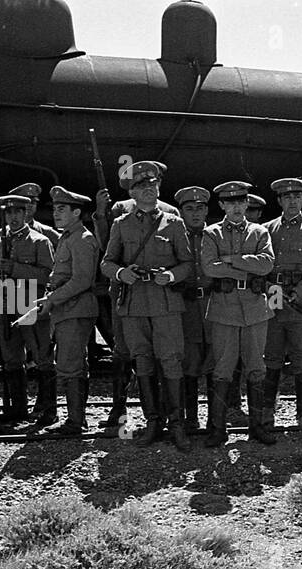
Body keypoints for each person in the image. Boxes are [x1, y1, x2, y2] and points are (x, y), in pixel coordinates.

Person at [99, 160, 194, 449]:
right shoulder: (120, 224)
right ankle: (152, 422)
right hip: (134, 305)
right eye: (141, 187)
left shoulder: (174, 223)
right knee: (142, 361)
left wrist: (171, 275)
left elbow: (188, 263)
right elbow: (106, 262)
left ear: (158, 187)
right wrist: (120, 273)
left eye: (152, 185)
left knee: (171, 361)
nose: (148, 190)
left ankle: (176, 424)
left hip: (166, 304)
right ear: (132, 193)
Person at [202, 180, 277, 446]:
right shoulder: (211, 233)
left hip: (256, 309)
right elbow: (209, 268)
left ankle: (256, 428)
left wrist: (232, 260)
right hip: (224, 309)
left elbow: (267, 264)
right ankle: (218, 430)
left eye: (240, 202)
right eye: (230, 202)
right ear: (222, 205)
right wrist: (248, 266)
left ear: (247, 203)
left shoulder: (260, 232)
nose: (236, 207)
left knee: (257, 368)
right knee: (222, 369)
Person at [264, 177, 302, 431]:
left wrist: (298, 292)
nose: (293, 201)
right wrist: (272, 289)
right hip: (274, 300)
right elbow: (262, 265)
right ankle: (268, 411)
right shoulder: (267, 229)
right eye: (287, 197)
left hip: (301, 304)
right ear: (279, 201)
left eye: (297, 197)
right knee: (272, 357)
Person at [40, 186, 100, 435]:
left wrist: (52, 298)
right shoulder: (68, 237)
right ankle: (76, 419)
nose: (56, 213)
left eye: (62, 209)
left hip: (75, 309)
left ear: (76, 212)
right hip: (68, 309)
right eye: (54, 209)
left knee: (70, 365)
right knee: (70, 363)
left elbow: (82, 280)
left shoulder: (82, 239)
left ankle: (76, 422)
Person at [0, 193, 55, 424]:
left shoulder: (39, 241)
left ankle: (48, 410)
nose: (13, 217)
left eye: (18, 212)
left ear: (26, 213)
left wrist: (15, 268)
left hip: (31, 306)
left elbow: (48, 275)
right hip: (8, 306)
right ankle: (18, 409)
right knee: (11, 359)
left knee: (42, 356)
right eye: (9, 212)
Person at [174, 185, 215, 433]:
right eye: (189, 209)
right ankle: (191, 417)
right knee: (189, 363)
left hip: (212, 305)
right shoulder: (175, 237)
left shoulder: (215, 235)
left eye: (200, 209)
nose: (196, 214)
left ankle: (214, 417)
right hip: (187, 306)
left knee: (213, 361)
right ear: (181, 212)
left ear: (207, 210)